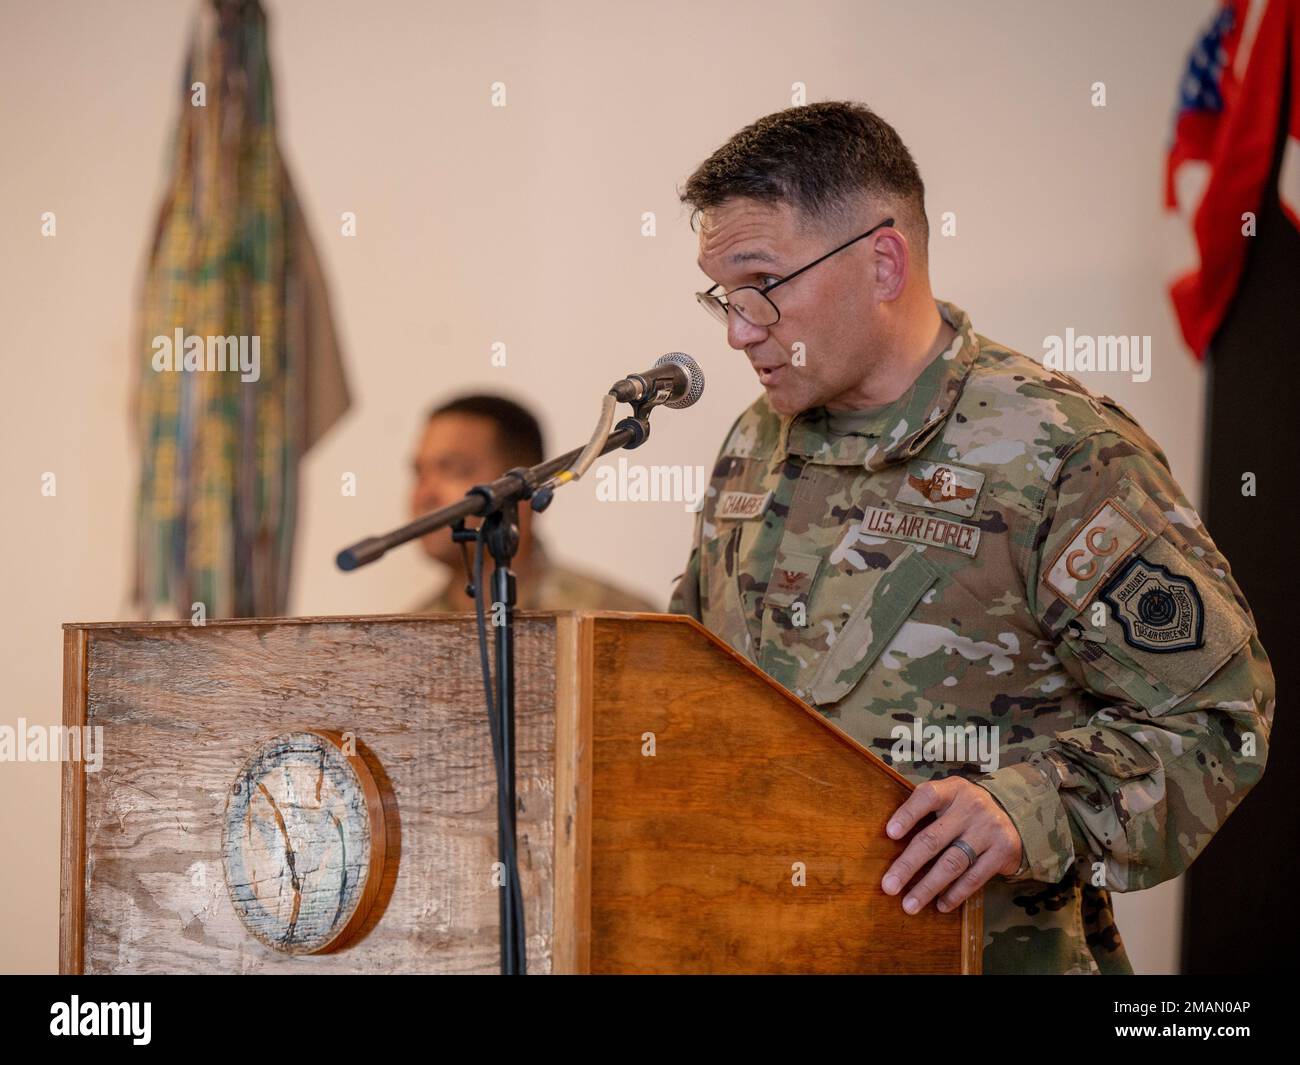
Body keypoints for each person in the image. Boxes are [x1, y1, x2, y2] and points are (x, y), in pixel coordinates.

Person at [667, 102, 1274, 974]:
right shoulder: (756, 442)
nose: (738, 329)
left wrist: (1027, 808)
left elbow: (1217, 722)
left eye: (762, 285)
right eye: (722, 294)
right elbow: (695, 677)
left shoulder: (1059, 451)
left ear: (882, 261)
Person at [410, 393, 657, 614]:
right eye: (419, 474)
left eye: (454, 470)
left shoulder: (615, 618)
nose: (425, 495)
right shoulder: (405, 637)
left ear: (522, 489)